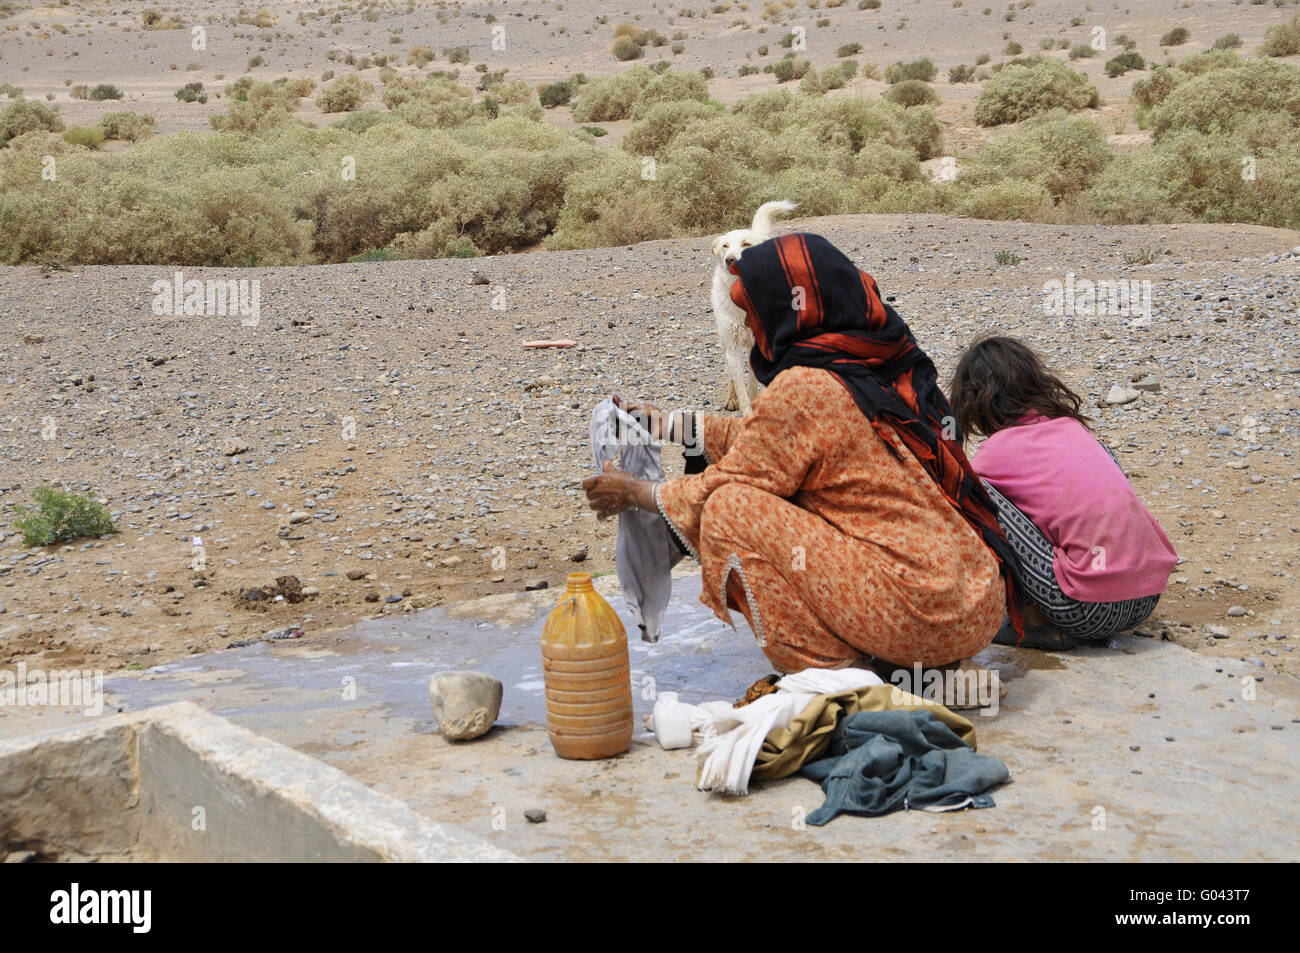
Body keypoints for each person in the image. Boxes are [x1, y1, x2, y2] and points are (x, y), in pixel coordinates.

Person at [582, 233, 1022, 673]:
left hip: (923, 612)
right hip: (973, 598)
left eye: (752, 309)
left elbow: (740, 475)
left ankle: (843, 679)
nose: (751, 325)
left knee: (729, 510)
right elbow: (774, 443)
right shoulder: (874, 359)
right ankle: (930, 668)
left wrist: (638, 493)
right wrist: (670, 424)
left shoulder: (804, 386)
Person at [948, 334, 1177, 649]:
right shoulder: (1073, 428)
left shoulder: (996, 451)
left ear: (976, 400)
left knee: (976, 492)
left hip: (1086, 611)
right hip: (1147, 596)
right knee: (1100, 461)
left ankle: (1032, 621)